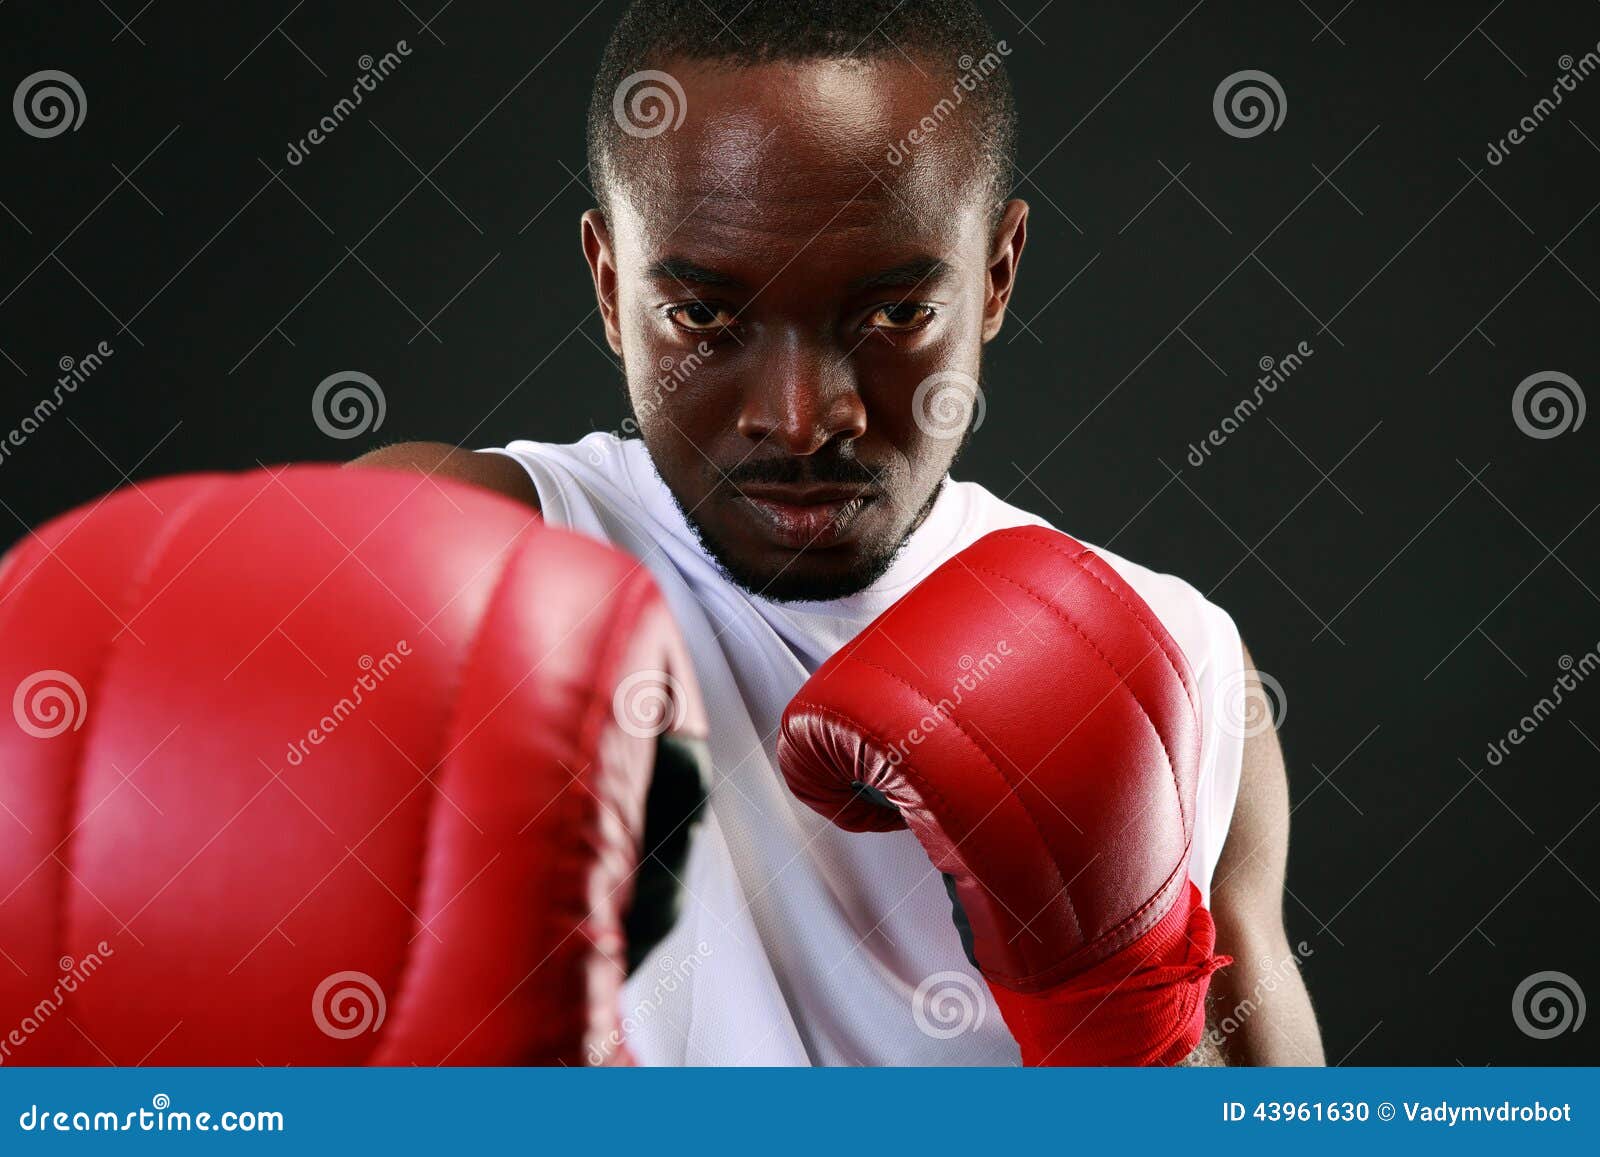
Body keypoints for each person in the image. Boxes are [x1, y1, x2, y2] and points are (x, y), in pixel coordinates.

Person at [353, 0, 1323, 1065]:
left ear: (995, 274)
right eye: (704, 318)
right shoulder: (455, 555)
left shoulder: (1181, 663)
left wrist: (1119, 1006)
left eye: (894, 315)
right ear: (608, 282)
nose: (805, 418)